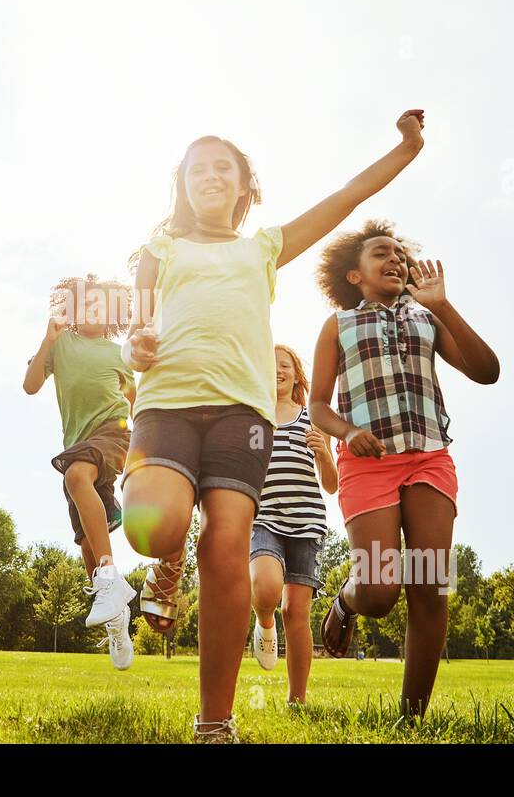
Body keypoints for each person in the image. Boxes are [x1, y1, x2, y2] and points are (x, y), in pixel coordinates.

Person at [121, 110, 426, 742]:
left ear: (242, 186)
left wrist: (406, 149)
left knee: (228, 543)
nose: (209, 175)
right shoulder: (161, 249)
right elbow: (137, 328)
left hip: (243, 413)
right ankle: (165, 561)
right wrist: (137, 347)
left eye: (222, 167)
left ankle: (214, 721)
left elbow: (345, 198)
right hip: (166, 405)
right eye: (197, 168)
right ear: (182, 184)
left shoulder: (262, 248)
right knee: (155, 527)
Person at [310, 219, 499, 718]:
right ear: (354, 275)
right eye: (379, 253)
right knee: (379, 591)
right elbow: (317, 406)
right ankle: (347, 601)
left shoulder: (427, 318)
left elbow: (487, 371)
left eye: (399, 253)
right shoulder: (338, 326)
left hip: (430, 456)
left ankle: (411, 717)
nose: (393, 258)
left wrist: (442, 306)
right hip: (369, 462)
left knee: (431, 583)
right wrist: (348, 433)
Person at [22, 274, 137, 670]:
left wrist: (141, 449)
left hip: (114, 434)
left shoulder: (119, 353)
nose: (92, 310)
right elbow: (30, 385)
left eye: (101, 306)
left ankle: (108, 576)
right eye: (85, 304)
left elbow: (134, 401)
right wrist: (47, 340)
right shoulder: (61, 345)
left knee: (75, 478)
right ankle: (117, 620)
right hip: (78, 445)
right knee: (87, 540)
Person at [249, 344, 338, 705]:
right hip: (265, 517)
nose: (277, 370)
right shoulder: (254, 418)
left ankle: (297, 699)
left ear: (296, 374)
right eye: (269, 365)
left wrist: (324, 453)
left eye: (284, 365)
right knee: (267, 588)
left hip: (306, 521)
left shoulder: (312, 420)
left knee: (296, 612)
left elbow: (331, 484)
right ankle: (265, 622)